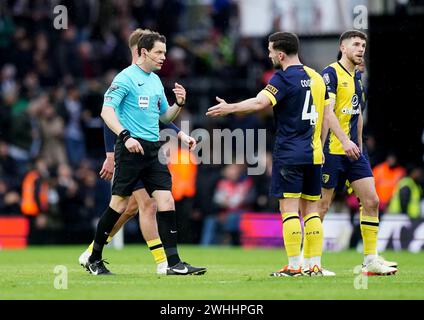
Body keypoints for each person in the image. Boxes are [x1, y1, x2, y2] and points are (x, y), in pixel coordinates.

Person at [79, 29, 202, 275]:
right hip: (130, 151)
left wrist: (178, 104)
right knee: (119, 206)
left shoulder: (155, 80)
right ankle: (94, 256)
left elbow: (163, 116)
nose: (163, 57)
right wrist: (124, 138)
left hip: (153, 149)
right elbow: (106, 112)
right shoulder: (124, 78)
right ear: (143, 52)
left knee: (165, 200)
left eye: (165, 52)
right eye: (159, 52)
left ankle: (174, 264)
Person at [207, 32, 328, 276]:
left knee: (289, 210)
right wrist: (320, 146)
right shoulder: (316, 77)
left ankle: (294, 266)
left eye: (271, 50)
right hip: (314, 154)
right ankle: (314, 265)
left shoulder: (282, 79)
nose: (269, 54)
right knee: (312, 211)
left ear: (281, 54)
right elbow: (326, 117)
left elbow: (259, 103)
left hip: (290, 154)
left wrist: (230, 107)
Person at [320, 30, 397, 275]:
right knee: (321, 207)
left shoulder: (357, 79)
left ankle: (370, 260)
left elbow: (358, 115)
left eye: (363, 44)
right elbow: (327, 112)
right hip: (332, 150)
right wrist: (344, 141)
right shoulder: (330, 73)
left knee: (372, 201)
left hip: (354, 152)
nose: (361, 48)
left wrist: (360, 149)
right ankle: (306, 260)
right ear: (343, 47)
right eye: (355, 44)